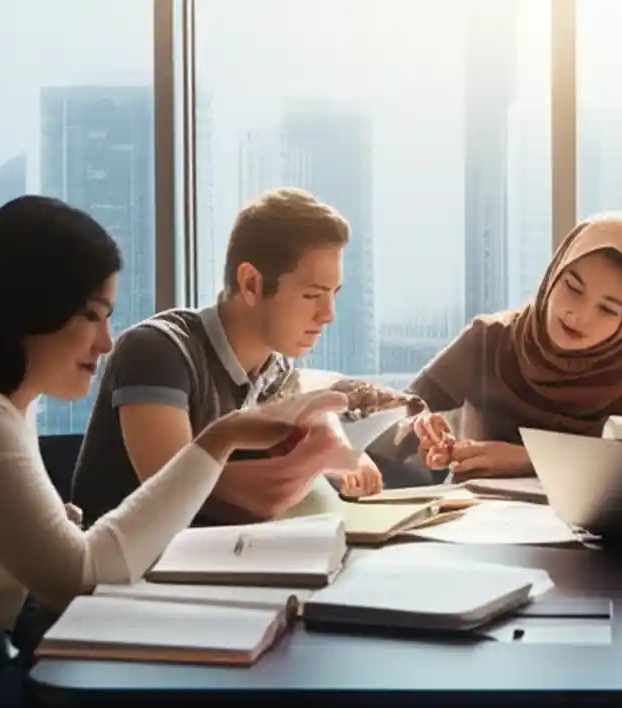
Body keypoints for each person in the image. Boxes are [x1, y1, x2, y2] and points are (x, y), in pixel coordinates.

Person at [0, 196, 349, 708]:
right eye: (90, 314)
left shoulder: (5, 408)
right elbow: (79, 577)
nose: (106, 341)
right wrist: (221, 438)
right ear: (27, 304)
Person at [71, 188, 398, 526]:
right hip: (133, 572)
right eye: (312, 295)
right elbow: (174, 497)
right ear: (252, 283)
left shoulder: (275, 372)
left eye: (333, 294)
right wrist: (328, 452)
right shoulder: (157, 350)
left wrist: (343, 456)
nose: (328, 314)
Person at [408, 211, 622, 479]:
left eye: (607, 309)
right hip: (477, 516)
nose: (579, 316)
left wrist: (532, 460)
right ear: (554, 274)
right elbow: (403, 408)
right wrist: (424, 428)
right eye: (573, 287)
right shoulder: (490, 340)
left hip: (589, 522)